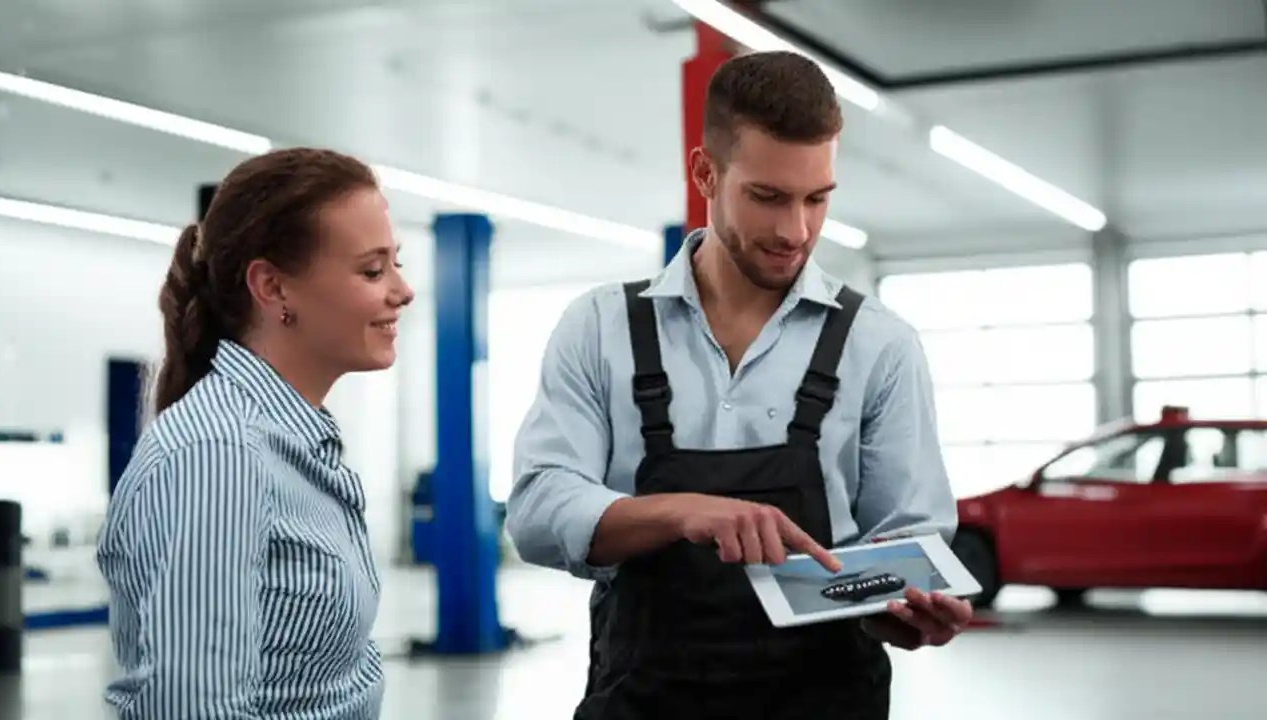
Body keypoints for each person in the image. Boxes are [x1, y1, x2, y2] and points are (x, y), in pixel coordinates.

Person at [506, 51, 972, 719]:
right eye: (768, 197)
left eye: (817, 198)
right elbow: (537, 512)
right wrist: (682, 512)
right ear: (705, 173)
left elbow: (909, 540)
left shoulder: (880, 345)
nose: (796, 230)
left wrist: (901, 611)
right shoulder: (601, 328)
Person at [96, 147, 413, 719]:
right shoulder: (217, 454)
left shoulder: (290, 442)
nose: (403, 290)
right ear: (273, 287)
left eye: (396, 263)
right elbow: (194, 711)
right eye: (372, 270)